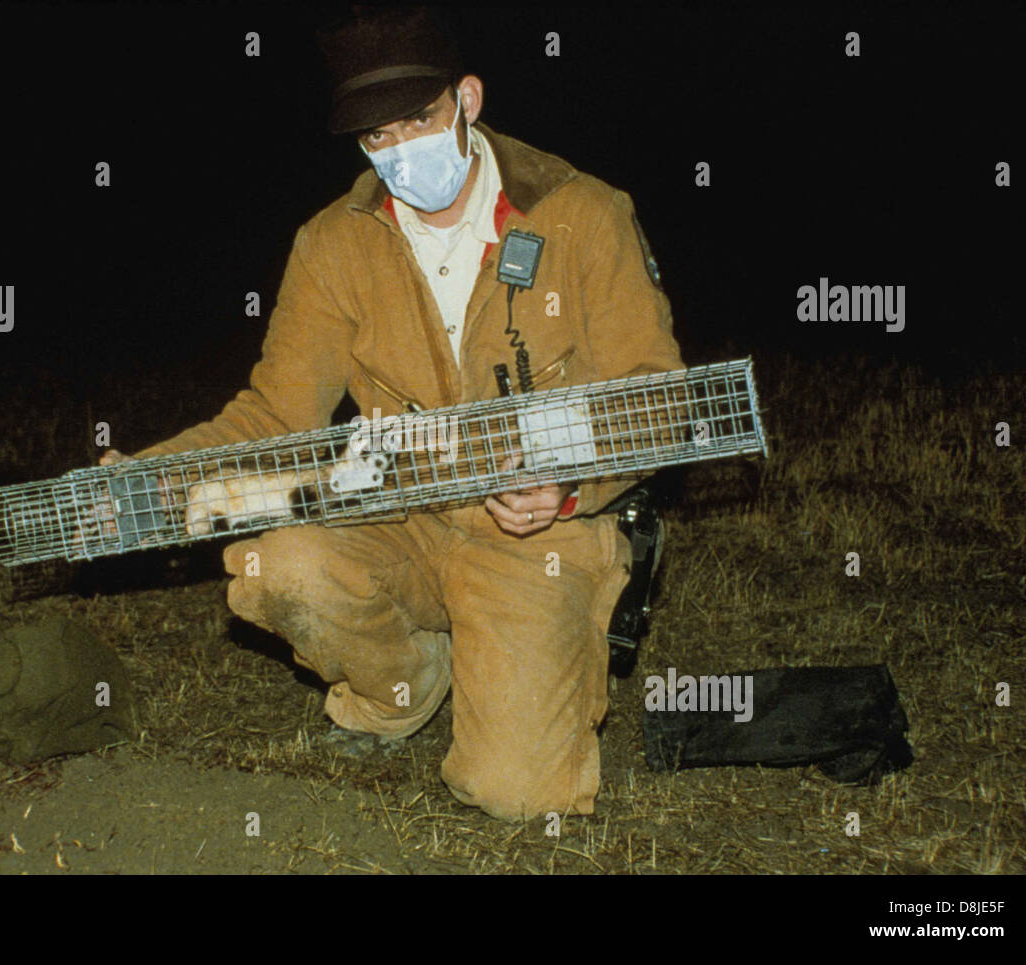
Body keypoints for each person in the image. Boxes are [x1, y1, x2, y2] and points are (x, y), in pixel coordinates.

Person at [101, 7, 683, 821]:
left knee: (516, 793)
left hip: (535, 534)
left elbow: (656, 399)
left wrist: (573, 487)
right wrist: (154, 471)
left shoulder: (582, 214)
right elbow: (276, 414)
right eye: (378, 135)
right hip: (399, 512)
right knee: (276, 565)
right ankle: (402, 687)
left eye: (420, 117)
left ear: (467, 99)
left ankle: (506, 653)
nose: (402, 149)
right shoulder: (332, 244)